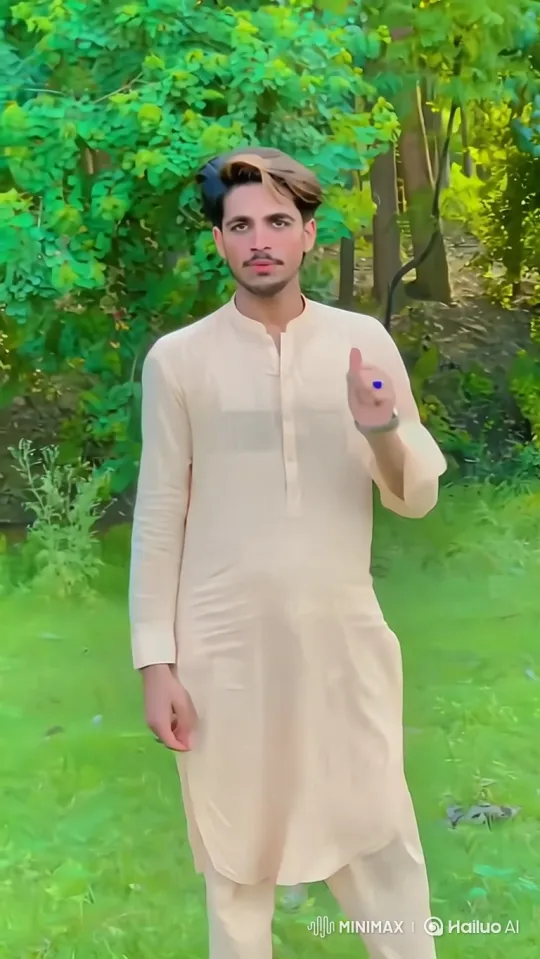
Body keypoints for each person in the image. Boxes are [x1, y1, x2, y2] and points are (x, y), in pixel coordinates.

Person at [129, 146, 447, 959]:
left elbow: (414, 496)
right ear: (219, 242)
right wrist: (156, 660)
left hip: (343, 638)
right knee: (236, 864)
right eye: (240, 226)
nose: (259, 240)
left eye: (277, 221)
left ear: (308, 234)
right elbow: (160, 513)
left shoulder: (360, 343)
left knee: (381, 838)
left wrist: (381, 427)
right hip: (222, 651)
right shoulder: (179, 360)